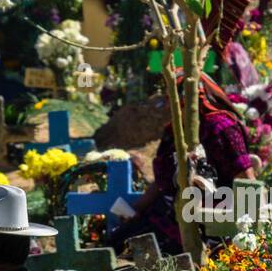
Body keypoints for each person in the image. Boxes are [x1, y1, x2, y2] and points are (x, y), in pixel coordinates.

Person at [108, 73, 256, 254]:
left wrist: (250, 229)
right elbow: (163, 181)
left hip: (216, 214)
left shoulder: (221, 127)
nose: (169, 106)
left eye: (175, 100)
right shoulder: (174, 132)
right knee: (122, 242)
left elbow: (245, 177)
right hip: (172, 214)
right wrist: (137, 208)